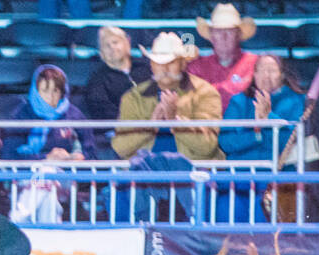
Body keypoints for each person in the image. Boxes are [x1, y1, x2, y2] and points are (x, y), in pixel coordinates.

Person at [112, 32, 222, 220]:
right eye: (158, 62)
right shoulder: (132, 97)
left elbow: (207, 145)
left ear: (182, 63)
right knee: (119, 191)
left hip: (192, 173)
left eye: (170, 62)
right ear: (151, 65)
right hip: (144, 175)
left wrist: (175, 122)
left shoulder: (206, 93)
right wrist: (150, 126)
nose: (163, 67)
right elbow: (120, 147)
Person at [217, 54, 306, 223]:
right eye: (261, 71)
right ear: (254, 75)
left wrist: (268, 118)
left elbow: (287, 144)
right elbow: (226, 142)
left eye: (272, 70)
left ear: (282, 75)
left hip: (275, 182)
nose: (266, 76)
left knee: (266, 235)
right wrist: (256, 136)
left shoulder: (295, 101)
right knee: (228, 225)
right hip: (239, 179)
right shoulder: (239, 101)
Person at [3, 64, 97, 162]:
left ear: (63, 92)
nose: (50, 96)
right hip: (31, 174)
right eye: (45, 91)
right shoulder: (21, 115)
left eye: (55, 91)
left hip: (69, 173)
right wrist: (46, 158)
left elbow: (91, 153)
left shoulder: (75, 116)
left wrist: (78, 157)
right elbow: (9, 155)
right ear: (36, 91)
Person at [187, 3, 259, 113]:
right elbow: (189, 100)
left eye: (229, 31)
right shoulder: (197, 67)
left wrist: (209, 91)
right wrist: (234, 87)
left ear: (239, 35)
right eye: (218, 31)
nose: (223, 36)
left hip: (244, 127)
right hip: (206, 126)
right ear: (211, 36)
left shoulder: (255, 63)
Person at [84, 26, 151, 127]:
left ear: (127, 43)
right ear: (101, 53)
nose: (112, 48)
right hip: (122, 131)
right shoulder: (97, 80)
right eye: (106, 46)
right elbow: (103, 113)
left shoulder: (147, 67)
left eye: (115, 42)